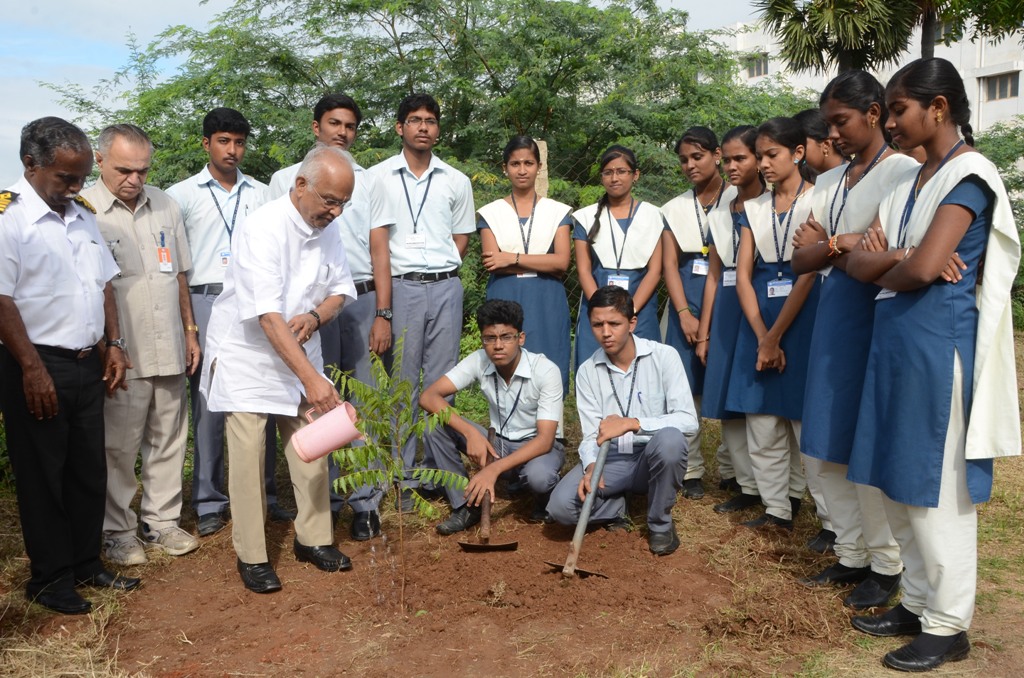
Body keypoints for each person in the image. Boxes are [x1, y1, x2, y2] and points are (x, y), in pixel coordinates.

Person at [845, 57, 1020, 672]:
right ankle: (917, 603)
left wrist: (899, 262)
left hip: (934, 342)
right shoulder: (911, 182)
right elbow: (858, 265)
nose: (890, 122)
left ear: (938, 108)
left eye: (898, 109)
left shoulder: (970, 176)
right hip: (896, 337)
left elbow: (921, 271)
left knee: (935, 487)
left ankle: (949, 625)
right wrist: (903, 256)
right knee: (896, 479)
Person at [200, 146, 358, 593]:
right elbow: (268, 316)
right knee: (249, 458)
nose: (335, 210)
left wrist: (315, 316)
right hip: (249, 358)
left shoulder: (329, 228)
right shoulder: (262, 227)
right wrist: (312, 379)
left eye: (343, 202)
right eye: (329, 200)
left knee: (312, 448)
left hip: (300, 349)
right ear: (301, 185)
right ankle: (252, 555)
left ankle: (314, 540)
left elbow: (339, 292)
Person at [0, 117, 138, 615]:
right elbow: (2, 301)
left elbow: (103, 282)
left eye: (81, 178)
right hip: (35, 365)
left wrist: (114, 343)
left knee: (87, 470)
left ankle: (86, 563)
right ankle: (49, 579)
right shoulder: (7, 218)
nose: (77, 187)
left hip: (87, 362)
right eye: (66, 178)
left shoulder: (80, 214)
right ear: (30, 164)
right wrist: (32, 370)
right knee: (43, 477)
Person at [791, 71, 917, 609]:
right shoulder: (827, 182)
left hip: (874, 316)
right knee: (824, 442)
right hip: (832, 313)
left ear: (873, 113)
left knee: (862, 444)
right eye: (828, 124)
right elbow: (799, 257)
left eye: (840, 121)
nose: (833, 133)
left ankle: (886, 564)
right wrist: (845, 245)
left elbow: (892, 253)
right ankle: (850, 551)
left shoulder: (903, 173)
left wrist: (832, 245)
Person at [267, 93, 394, 541]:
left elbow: (380, 249)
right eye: (334, 123)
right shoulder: (285, 179)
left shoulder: (370, 181)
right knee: (314, 402)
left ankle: (364, 501)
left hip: (354, 300)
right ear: (315, 125)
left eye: (351, 126)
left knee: (358, 401)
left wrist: (382, 311)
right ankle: (322, 502)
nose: (342, 132)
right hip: (301, 309)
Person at [83, 124, 202, 566]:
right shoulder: (85, 209)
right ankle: (118, 530)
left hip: (169, 343)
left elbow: (180, 275)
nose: (134, 179)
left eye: (142, 170)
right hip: (122, 352)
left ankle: (162, 523)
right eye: (124, 170)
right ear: (99, 162)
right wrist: (107, 345)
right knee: (118, 446)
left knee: (169, 437)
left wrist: (190, 331)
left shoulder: (166, 204)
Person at [166, 107, 284, 537]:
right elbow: (178, 267)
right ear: (206, 143)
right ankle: (210, 500)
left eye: (238, 142)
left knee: (262, 395)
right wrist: (189, 327)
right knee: (209, 404)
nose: (232, 150)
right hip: (205, 300)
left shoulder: (263, 192)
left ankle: (266, 495)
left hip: (254, 302)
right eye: (223, 141)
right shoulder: (181, 195)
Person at [366, 93, 475, 510]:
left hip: (446, 286)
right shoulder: (379, 177)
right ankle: (402, 476)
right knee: (402, 383)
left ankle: (438, 469)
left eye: (431, 120)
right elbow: (379, 245)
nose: (424, 127)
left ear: (438, 129)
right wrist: (384, 308)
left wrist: (440, 271)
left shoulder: (455, 180)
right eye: (415, 120)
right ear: (400, 128)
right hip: (402, 286)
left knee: (441, 383)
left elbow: (461, 236)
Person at [548, 286, 698, 556]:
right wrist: (593, 466)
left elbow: (688, 421)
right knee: (561, 507)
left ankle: (660, 524)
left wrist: (633, 423)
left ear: (632, 323)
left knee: (671, 440)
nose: (605, 333)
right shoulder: (587, 371)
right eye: (597, 324)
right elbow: (590, 435)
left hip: (652, 458)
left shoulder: (664, 357)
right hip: (612, 458)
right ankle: (617, 506)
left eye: (614, 323)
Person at [724, 117, 818, 531]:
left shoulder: (821, 200)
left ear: (798, 153)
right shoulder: (753, 209)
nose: (763, 164)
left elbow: (809, 273)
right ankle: (776, 508)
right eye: (759, 155)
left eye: (771, 155)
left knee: (803, 422)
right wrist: (763, 336)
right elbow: (743, 274)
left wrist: (776, 335)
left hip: (803, 316)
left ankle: (817, 510)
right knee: (761, 421)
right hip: (758, 319)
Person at [420, 299, 565, 533]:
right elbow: (429, 397)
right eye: (490, 338)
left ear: (521, 338)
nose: (498, 346)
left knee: (539, 477)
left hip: (537, 447)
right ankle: (467, 504)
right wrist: (470, 433)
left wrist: (492, 470)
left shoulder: (545, 370)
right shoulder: (479, 359)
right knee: (434, 423)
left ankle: (542, 499)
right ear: (482, 340)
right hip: (497, 445)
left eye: (506, 337)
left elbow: (545, 439)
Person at [661, 127, 737, 500]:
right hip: (685, 300)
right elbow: (669, 265)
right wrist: (683, 313)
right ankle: (690, 469)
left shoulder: (741, 197)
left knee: (728, 382)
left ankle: (733, 468)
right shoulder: (673, 208)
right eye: (684, 159)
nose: (690, 165)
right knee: (684, 388)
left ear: (718, 154)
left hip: (729, 295)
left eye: (697, 156)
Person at [697, 125, 763, 515]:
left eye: (743, 158)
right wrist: (704, 333)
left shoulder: (774, 203)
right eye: (729, 158)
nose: (733, 166)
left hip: (760, 302)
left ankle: (782, 490)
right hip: (725, 306)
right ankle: (746, 484)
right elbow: (712, 273)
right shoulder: (722, 210)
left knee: (758, 399)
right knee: (726, 400)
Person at [478, 136, 573, 395]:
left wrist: (512, 258)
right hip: (505, 295)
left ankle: (554, 432)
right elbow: (492, 262)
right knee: (505, 361)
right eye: (515, 163)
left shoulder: (557, 211)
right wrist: (543, 262)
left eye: (528, 163)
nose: (522, 170)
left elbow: (562, 262)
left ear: (539, 166)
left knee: (550, 363)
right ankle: (504, 431)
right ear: (504, 167)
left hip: (546, 299)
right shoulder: (490, 212)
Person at [572, 145, 663, 372]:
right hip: (596, 303)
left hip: (639, 305)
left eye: (621, 171)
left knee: (643, 371)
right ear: (601, 177)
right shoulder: (586, 217)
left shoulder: (653, 215)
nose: (614, 178)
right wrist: (602, 311)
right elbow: (583, 270)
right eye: (608, 172)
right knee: (595, 371)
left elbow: (655, 271)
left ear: (635, 175)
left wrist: (629, 311)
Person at [794, 108, 844, 178]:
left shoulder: (852, 178)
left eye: (801, 145)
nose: (796, 153)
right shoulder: (817, 180)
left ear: (826, 145)